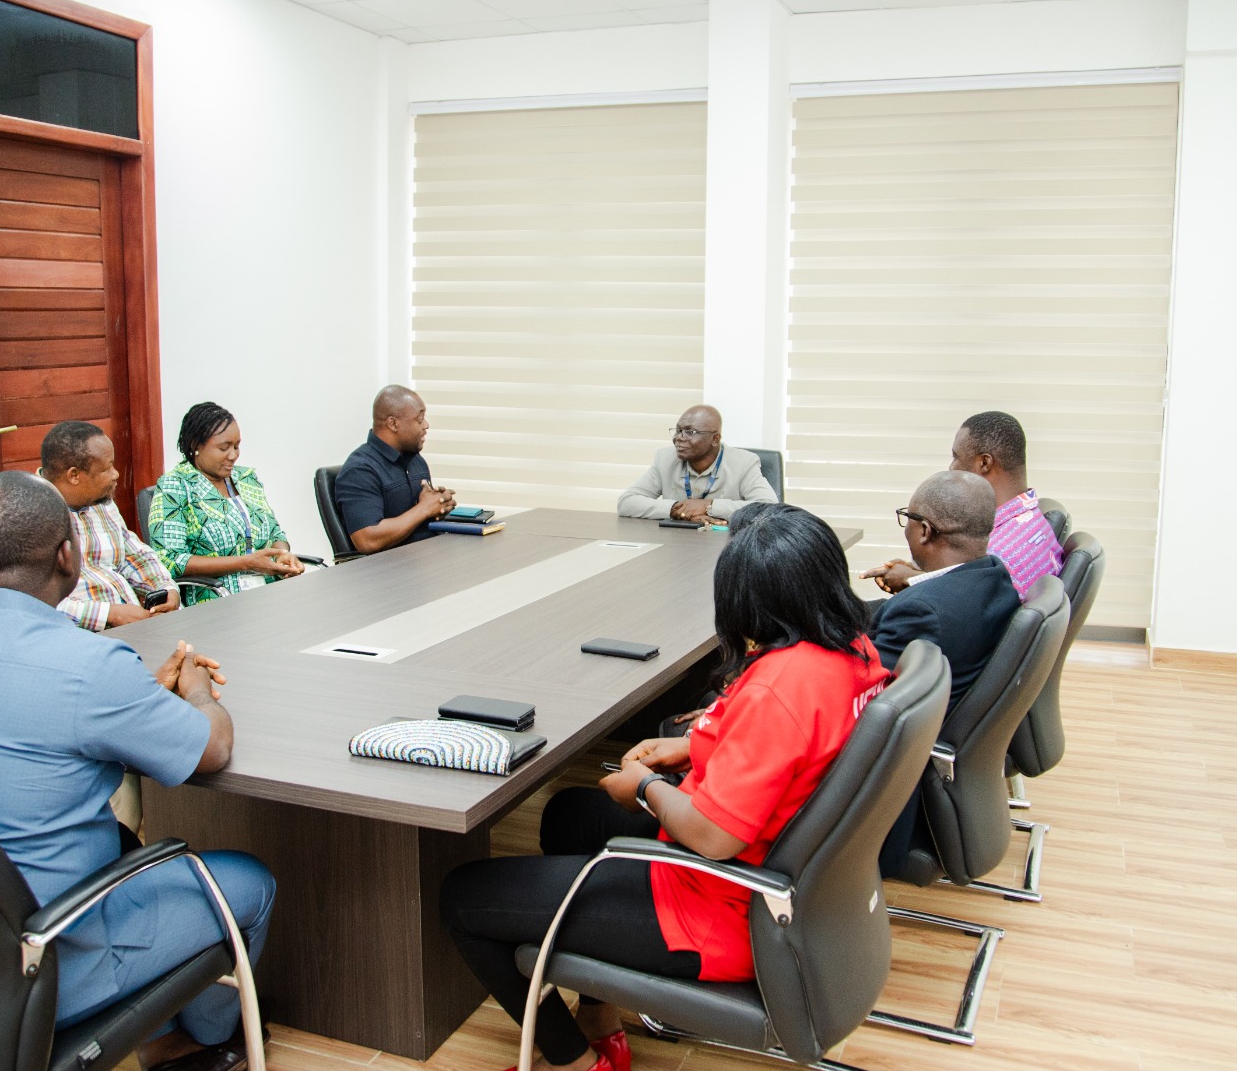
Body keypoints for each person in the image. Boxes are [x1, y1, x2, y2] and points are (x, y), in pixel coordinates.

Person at [440, 505, 888, 1071]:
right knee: (570, 815)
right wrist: (692, 747)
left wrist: (648, 786)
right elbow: (785, 751)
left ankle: (573, 1063)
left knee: (463, 897)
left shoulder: (782, 687)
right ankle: (599, 1020)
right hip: (778, 868)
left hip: (715, 902)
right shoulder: (852, 650)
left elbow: (715, 836)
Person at [0, 472, 275, 1071]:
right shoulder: (87, 663)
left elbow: (14, 721)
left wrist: (132, 700)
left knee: (118, 842)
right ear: (68, 553)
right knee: (248, 881)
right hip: (51, 958)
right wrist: (194, 694)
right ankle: (200, 1045)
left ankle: (167, 1029)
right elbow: (209, 750)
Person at [862, 411, 1063, 600]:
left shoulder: (995, 554)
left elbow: (959, 605)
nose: (951, 468)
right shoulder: (1033, 524)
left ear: (985, 463)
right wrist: (915, 574)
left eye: (956, 457)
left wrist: (910, 579)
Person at [867, 470, 1020, 708]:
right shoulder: (995, 576)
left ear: (925, 531)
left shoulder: (922, 612)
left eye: (908, 517)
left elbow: (866, 687)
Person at [147, 402, 304, 603]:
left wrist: (282, 554)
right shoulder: (176, 485)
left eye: (237, 446)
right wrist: (246, 563)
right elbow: (169, 559)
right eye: (224, 448)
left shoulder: (246, 479)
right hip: (216, 600)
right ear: (196, 445)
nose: (233, 455)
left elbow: (275, 533)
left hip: (268, 594)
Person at [39, 420, 179, 630]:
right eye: (107, 468)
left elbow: (135, 555)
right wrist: (108, 614)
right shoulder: (30, 515)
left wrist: (165, 587)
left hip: (135, 628)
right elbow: (34, 601)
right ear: (74, 475)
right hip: (82, 638)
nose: (116, 474)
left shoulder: (100, 501)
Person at [336, 385, 455, 554]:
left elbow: (418, 518)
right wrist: (424, 509)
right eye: (419, 420)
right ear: (393, 423)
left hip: (427, 557)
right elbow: (368, 540)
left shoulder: (416, 461)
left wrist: (438, 507)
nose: (426, 425)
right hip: (391, 572)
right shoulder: (360, 470)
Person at [617, 405, 777, 522]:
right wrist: (676, 509)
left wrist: (709, 506)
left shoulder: (743, 462)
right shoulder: (665, 458)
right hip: (676, 544)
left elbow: (768, 508)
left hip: (725, 546)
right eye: (678, 430)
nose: (678, 438)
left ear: (715, 439)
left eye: (689, 432)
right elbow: (627, 502)